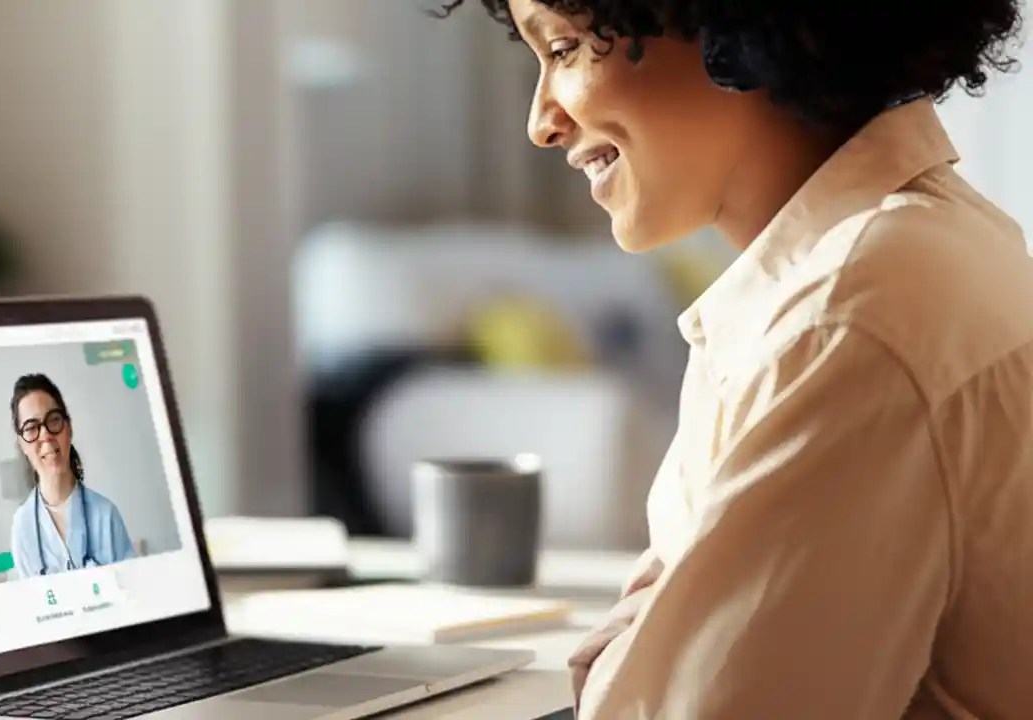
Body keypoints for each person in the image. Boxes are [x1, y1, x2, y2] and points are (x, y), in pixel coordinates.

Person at [439, 0, 1032, 717]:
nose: (541, 122)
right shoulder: (909, 253)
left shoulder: (850, 320)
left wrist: (641, 647)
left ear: (734, 26)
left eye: (563, 48)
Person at [9, 373, 136, 578]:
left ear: (68, 428)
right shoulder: (22, 526)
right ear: (22, 444)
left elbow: (133, 594)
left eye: (54, 420)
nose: (45, 435)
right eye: (32, 428)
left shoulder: (105, 515)